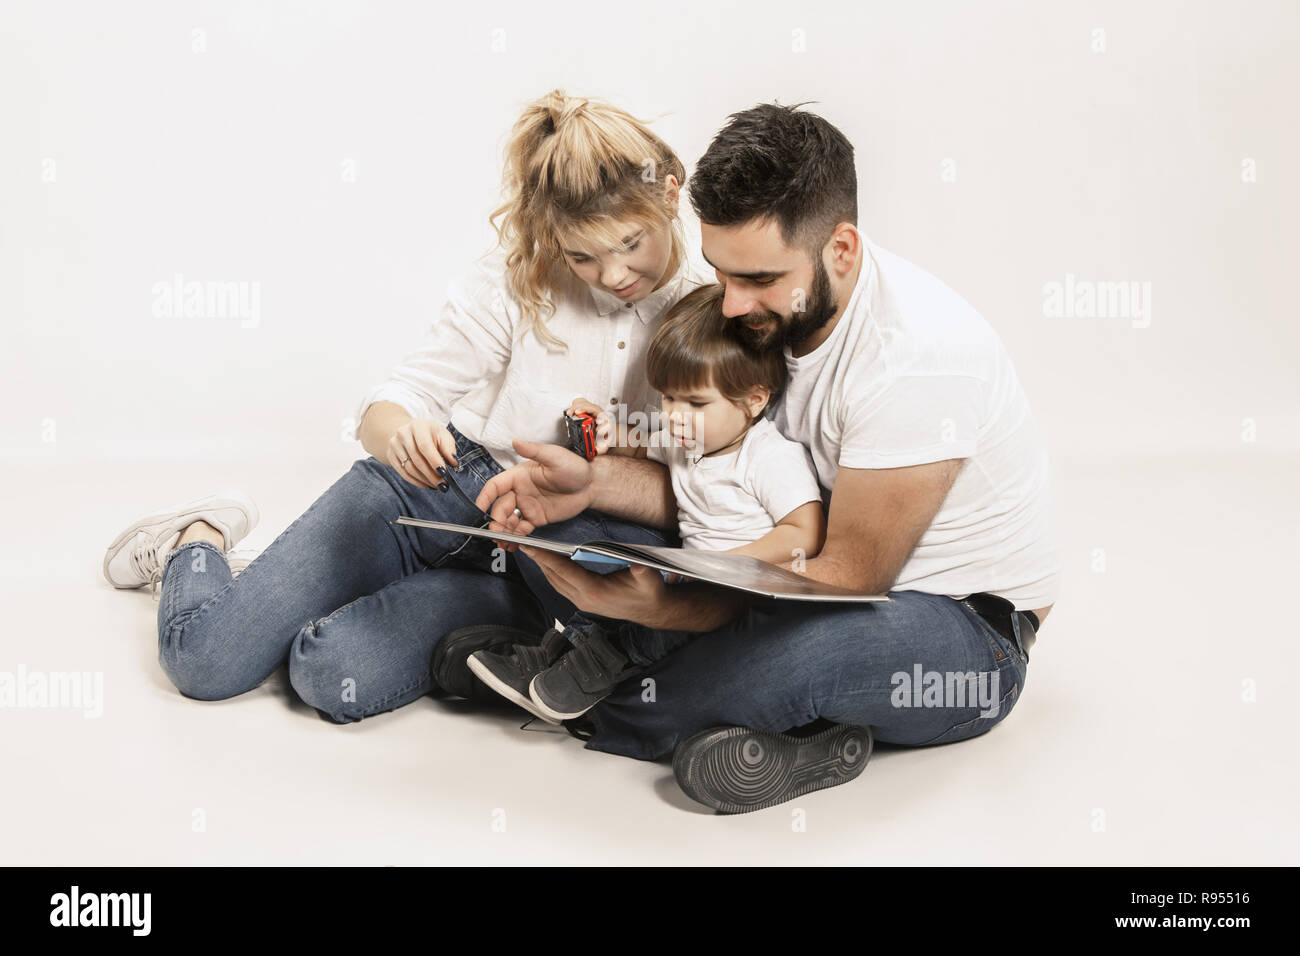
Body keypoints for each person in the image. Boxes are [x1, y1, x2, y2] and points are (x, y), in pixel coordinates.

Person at [475, 102, 1063, 813]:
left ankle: (614, 697)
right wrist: (595, 484)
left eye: (756, 278)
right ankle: (611, 679)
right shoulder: (762, 315)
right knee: (582, 544)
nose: (728, 304)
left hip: (955, 627)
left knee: (766, 667)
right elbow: (719, 487)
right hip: (791, 569)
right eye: (722, 272)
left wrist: (673, 610)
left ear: (840, 250)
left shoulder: (917, 359)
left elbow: (846, 578)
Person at [100, 90, 710, 721]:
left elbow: (710, 485)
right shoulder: (519, 278)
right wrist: (400, 435)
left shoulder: (712, 314)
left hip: (542, 543)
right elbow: (394, 400)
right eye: (582, 256)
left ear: (668, 195)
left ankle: (326, 590)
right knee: (207, 662)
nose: (611, 274)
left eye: (629, 244)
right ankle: (195, 539)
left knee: (330, 675)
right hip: (442, 485)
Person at [465, 282, 825, 724]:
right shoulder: (687, 439)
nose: (675, 414)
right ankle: (563, 651)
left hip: (749, 597)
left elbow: (804, 533)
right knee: (627, 587)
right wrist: (607, 431)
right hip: (694, 576)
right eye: (668, 398)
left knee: (655, 626)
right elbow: (639, 446)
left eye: (695, 402)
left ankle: (599, 662)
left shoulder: (769, 456)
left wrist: (730, 562)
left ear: (754, 400)